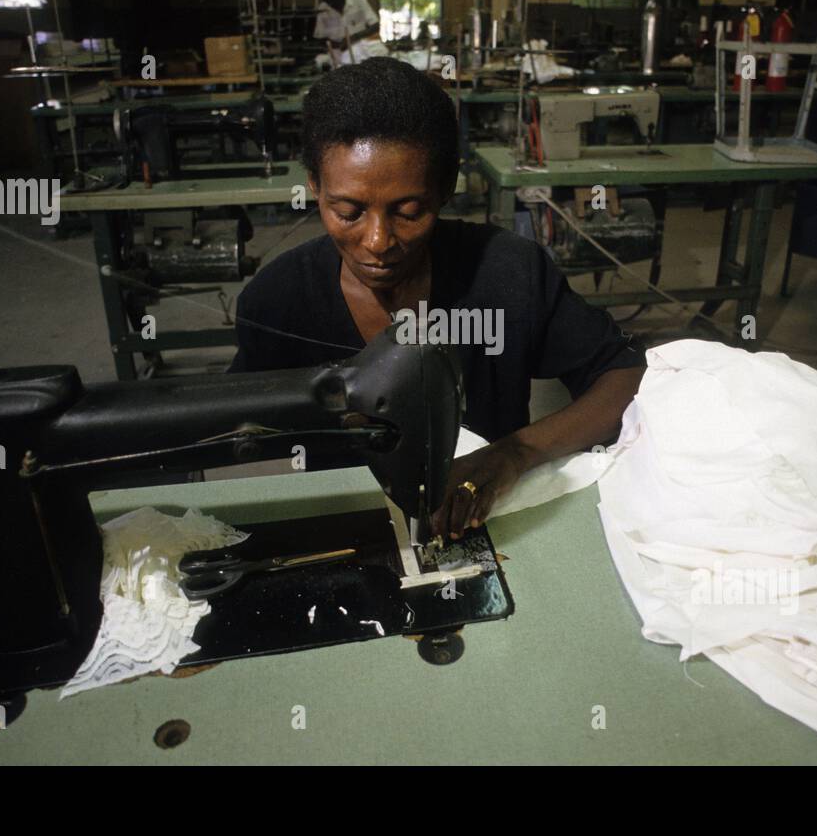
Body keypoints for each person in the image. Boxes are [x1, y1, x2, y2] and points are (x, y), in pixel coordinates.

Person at [228, 58, 644, 541]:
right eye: (348, 212)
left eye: (409, 212)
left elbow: (625, 372)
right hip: (344, 530)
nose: (379, 240)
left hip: (489, 520)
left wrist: (513, 453)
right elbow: (232, 426)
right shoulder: (278, 299)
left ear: (445, 189)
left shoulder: (507, 274)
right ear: (315, 188)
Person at [313, 0, 388, 65]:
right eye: (327, 0)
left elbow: (375, 26)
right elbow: (320, 38)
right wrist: (336, 44)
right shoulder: (323, 9)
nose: (331, 3)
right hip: (339, 55)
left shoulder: (359, 1)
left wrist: (352, 38)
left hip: (363, 49)